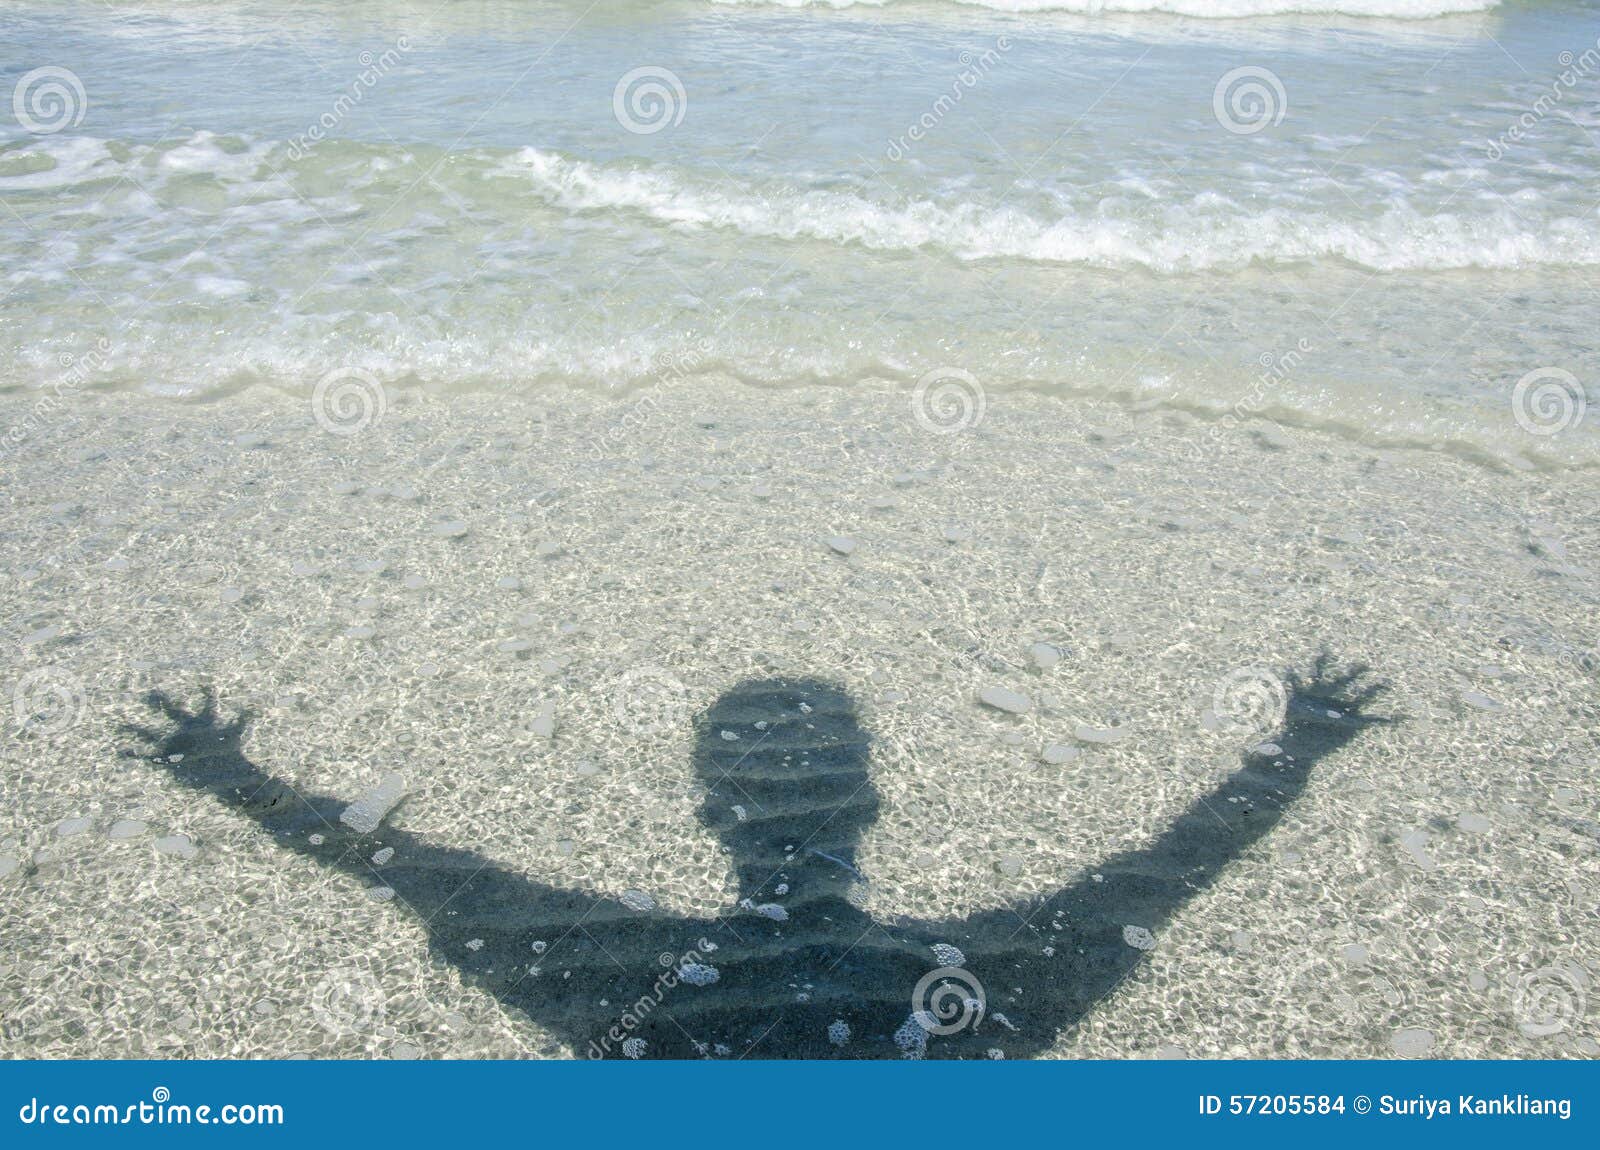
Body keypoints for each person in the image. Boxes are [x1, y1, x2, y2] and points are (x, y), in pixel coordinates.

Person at [128, 659, 1387, 1059]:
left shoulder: (611, 974)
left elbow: (406, 866)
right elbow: (1164, 872)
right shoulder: (992, 981)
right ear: (879, 804)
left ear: (707, 817)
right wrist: (1295, 753)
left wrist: (222, 771)